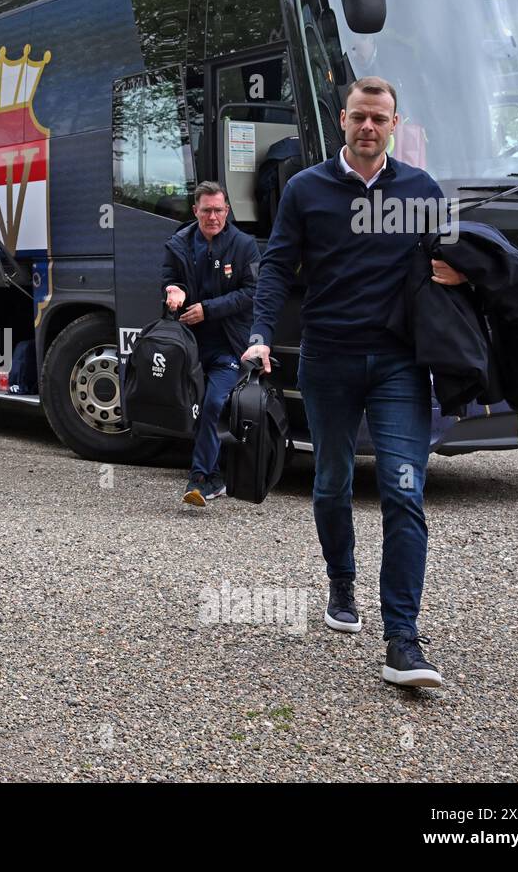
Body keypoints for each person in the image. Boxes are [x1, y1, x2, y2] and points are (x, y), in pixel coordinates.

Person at [244, 76, 467, 689]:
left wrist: (458, 275)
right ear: (342, 120)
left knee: (403, 490)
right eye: (359, 117)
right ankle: (341, 582)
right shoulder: (305, 190)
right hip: (329, 361)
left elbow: (455, 257)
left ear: (395, 124)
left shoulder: (420, 190)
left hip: (399, 364)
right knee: (333, 479)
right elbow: (276, 267)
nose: (369, 127)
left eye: (380, 119)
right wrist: (260, 332)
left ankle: (403, 639)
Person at [160, 182, 260, 505]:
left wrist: (208, 310)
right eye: (206, 211)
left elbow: (252, 292)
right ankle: (215, 477)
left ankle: (200, 478)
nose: (213, 216)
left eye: (218, 210)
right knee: (192, 405)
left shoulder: (244, 246)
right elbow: (168, 281)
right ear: (195, 212)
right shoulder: (178, 244)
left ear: (227, 211)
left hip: (229, 347)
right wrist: (173, 292)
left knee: (215, 404)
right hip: (189, 347)